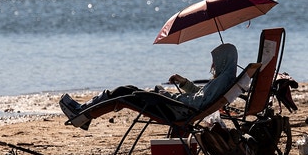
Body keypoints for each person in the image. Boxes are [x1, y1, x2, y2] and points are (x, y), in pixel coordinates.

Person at [59, 43, 238, 130]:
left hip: (175, 110)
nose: (212, 66)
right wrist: (184, 83)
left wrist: (167, 97)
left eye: (215, 61)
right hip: (177, 107)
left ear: (224, 60)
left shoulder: (221, 82)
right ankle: (84, 114)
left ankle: (81, 114)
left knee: (123, 93)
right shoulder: (223, 79)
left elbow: (197, 103)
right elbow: (200, 96)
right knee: (128, 89)